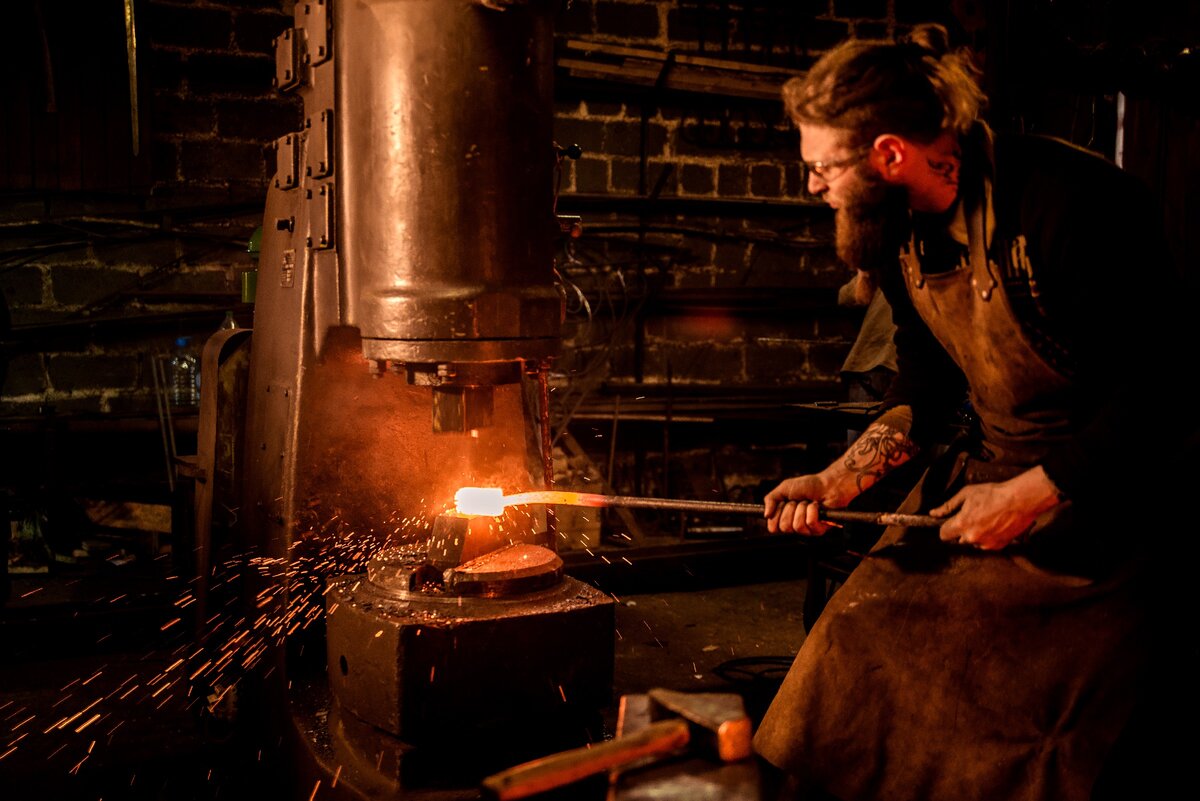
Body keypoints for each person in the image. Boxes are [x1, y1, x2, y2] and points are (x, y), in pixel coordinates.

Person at [752, 23, 1195, 801]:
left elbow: (1165, 388)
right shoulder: (898, 235)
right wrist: (835, 482)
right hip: (986, 483)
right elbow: (924, 387)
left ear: (890, 155)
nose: (813, 186)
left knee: (1018, 720)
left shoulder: (1073, 206)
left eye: (823, 167)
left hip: (1111, 505)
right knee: (853, 643)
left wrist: (1036, 492)